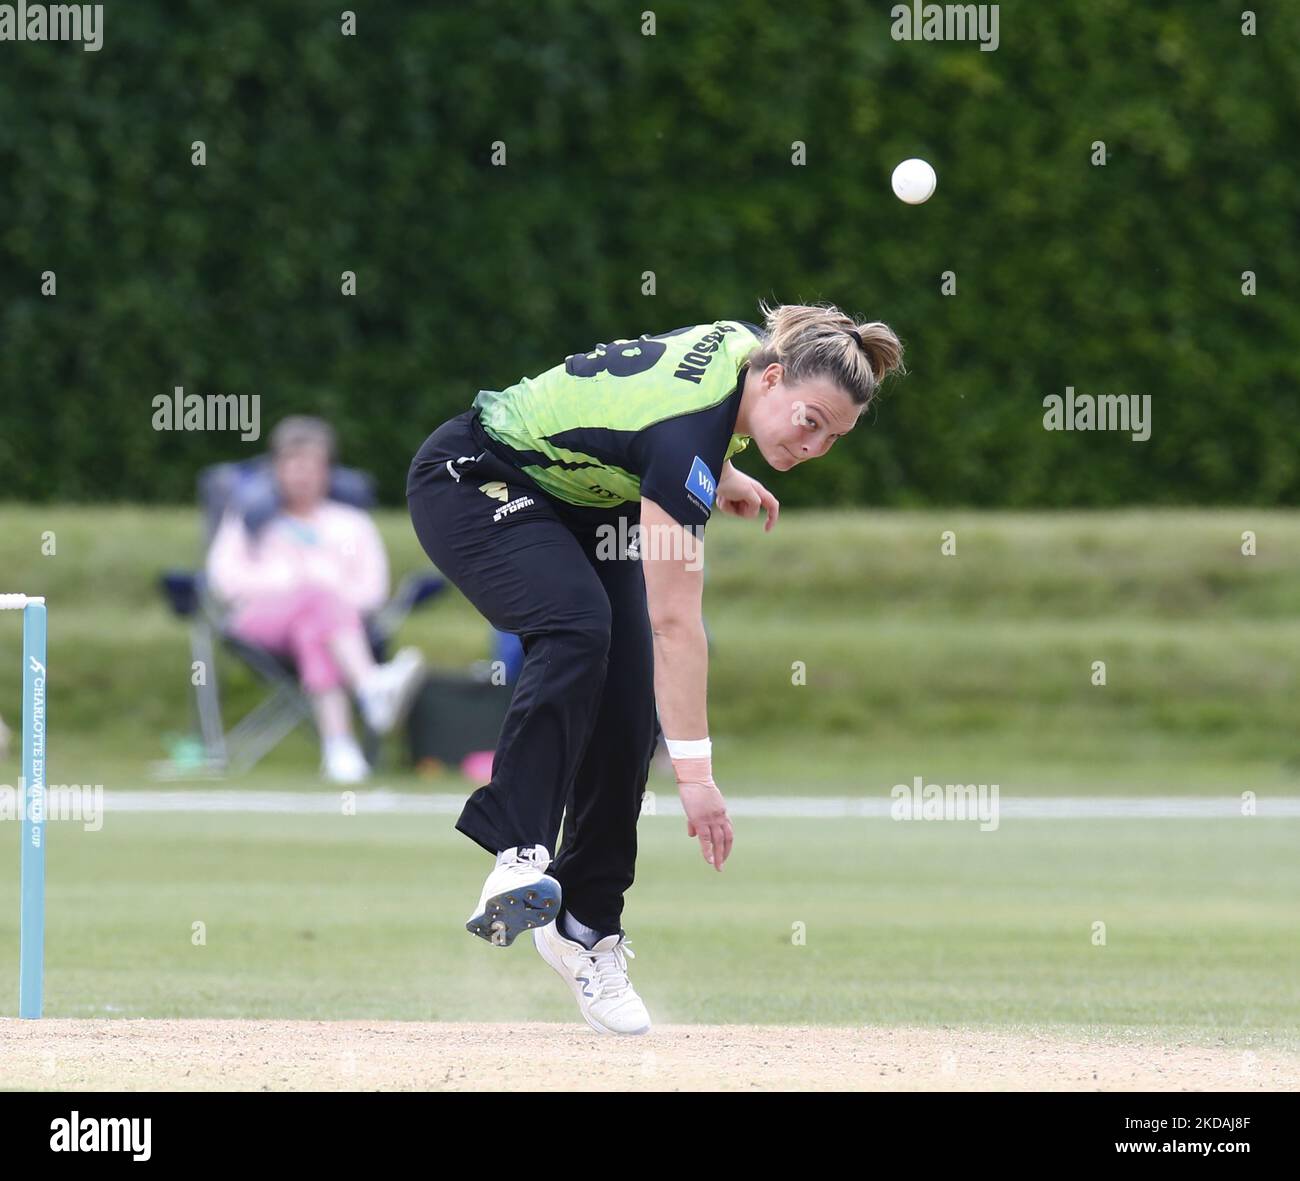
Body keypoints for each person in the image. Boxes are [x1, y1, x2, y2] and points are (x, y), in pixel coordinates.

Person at [406, 301, 905, 1035]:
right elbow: (677, 624)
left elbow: (664, 403)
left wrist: (725, 468)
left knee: (627, 714)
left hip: (585, 502)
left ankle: (584, 928)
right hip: (474, 476)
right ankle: (518, 850)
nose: (816, 445)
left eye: (833, 436)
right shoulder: (684, 453)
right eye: (809, 420)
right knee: (577, 628)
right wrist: (697, 778)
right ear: (772, 379)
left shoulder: (746, 350)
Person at [208, 416, 425, 784]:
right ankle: (370, 685)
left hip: (334, 629)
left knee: (315, 627)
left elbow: (372, 591)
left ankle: (340, 751)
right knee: (317, 595)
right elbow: (224, 581)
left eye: (311, 465)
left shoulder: (352, 523)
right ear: (275, 468)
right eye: (292, 464)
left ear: (328, 471)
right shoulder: (250, 519)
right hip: (258, 623)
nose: (301, 475)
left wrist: (327, 599)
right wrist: (291, 585)